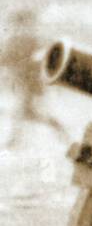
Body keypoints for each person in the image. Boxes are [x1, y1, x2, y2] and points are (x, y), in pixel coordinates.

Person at [1, 9, 68, 148]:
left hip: (30, 84)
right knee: (30, 112)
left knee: (26, 111)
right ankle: (61, 132)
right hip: (25, 83)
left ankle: (14, 141)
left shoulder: (25, 41)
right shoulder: (22, 41)